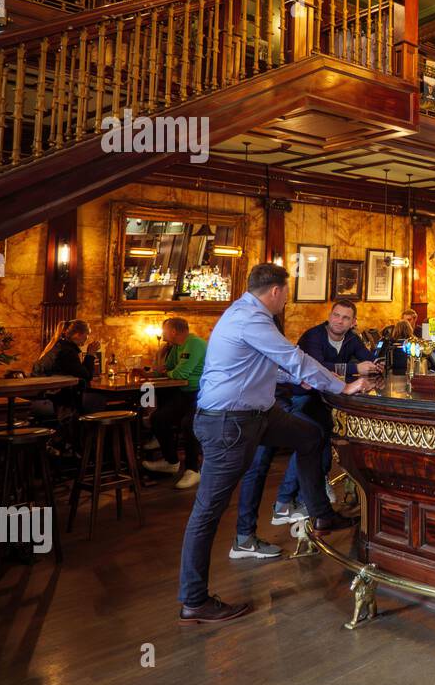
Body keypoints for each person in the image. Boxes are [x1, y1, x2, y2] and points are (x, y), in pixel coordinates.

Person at [177, 263, 372, 624]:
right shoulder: (252, 319)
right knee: (207, 510)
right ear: (276, 291)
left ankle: (321, 515)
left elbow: (271, 365)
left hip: (257, 415)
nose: (286, 298)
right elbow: (291, 357)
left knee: (310, 435)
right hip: (229, 423)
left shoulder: (246, 314)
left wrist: (310, 378)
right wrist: (339, 385)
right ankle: (193, 599)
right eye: (287, 291)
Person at [238, 299, 378, 527]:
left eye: (345, 317)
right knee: (310, 437)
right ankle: (292, 504)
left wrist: (370, 366)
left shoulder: (351, 339)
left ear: (353, 322)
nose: (339, 320)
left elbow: (302, 369)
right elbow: (312, 366)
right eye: (336, 315)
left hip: (294, 397)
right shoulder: (314, 336)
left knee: (317, 434)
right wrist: (349, 372)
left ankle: (303, 502)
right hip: (283, 399)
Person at [142, 316, 206, 489]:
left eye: (164, 330)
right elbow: (165, 369)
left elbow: (180, 373)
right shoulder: (176, 347)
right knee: (158, 417)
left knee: (188, 424)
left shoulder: (194, 343)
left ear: (173, 331)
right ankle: (171, 461)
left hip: (202, 394)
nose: (162, 333)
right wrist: (151, 373)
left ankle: (193, 470)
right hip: (184, 393)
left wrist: (167, 372)